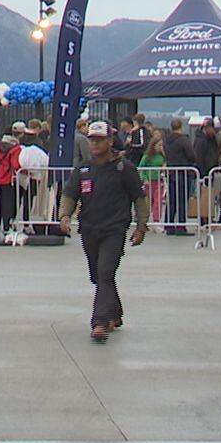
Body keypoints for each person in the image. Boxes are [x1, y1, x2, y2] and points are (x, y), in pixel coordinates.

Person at [60, 121, 150, 341]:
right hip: (89, 229)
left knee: (105, 272)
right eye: (92, 139)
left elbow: (139, 198)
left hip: (114, 229)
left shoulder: (124, 168)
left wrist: (141, 227)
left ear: (110, 142)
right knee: (98, 276)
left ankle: (99, 322)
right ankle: (114, 313)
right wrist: (64, 216)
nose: (95, 144)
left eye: (100, 140)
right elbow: (70, 195)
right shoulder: (83, 170)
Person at [160, 118, 196, 235]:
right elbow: (191, 155)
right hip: (182, 172)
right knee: (181, 200)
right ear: (181, 127)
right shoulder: (183, 140)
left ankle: (169, 225)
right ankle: (181, 226)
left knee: (171, 200)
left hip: (171, 172)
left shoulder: (166, 141)